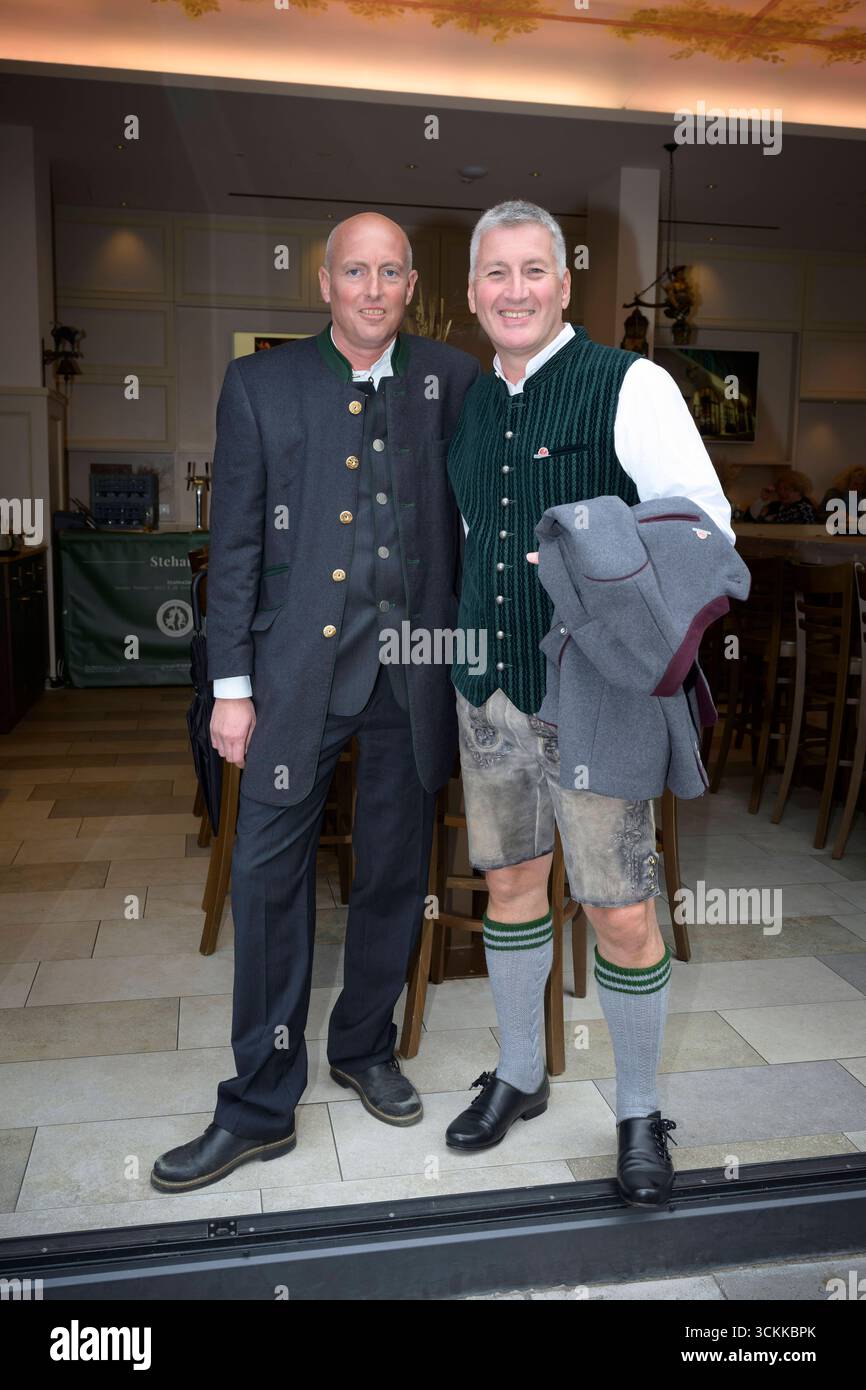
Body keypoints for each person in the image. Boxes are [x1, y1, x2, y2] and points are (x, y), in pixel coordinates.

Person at [151, 213, 480, 1193]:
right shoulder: (262, 384)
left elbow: (473, 523)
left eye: (388, 272)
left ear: (409, 282)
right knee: (265, 878)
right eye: (353, 271)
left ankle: (363, 1044)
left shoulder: (451, 382)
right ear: (324, 283)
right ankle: (259, 1101)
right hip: (293, 675)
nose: (372, 288)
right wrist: (229, 689)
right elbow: (239, 547)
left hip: (411, 673)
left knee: (389, 871)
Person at [443, 200, 734, 1207]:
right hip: (488, 692)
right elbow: (476, 531)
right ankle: (520, 1073)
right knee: (512, 885)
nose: (513, 290)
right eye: (493, 274)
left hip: (600, 695)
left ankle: (637, 1111)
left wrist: (604, 596)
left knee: (616, 910)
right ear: (472, 291)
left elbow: (701, 527)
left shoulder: (630, 382)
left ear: (564, 283)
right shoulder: (471, 401)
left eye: (532, 271)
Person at [751, 470, 816, 524]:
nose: (781, 492)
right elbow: (754, 520)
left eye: (786, 489)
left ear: (799, 491)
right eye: (779, 488)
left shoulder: (804, 509)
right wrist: (762, 500)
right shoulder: (775, 505)